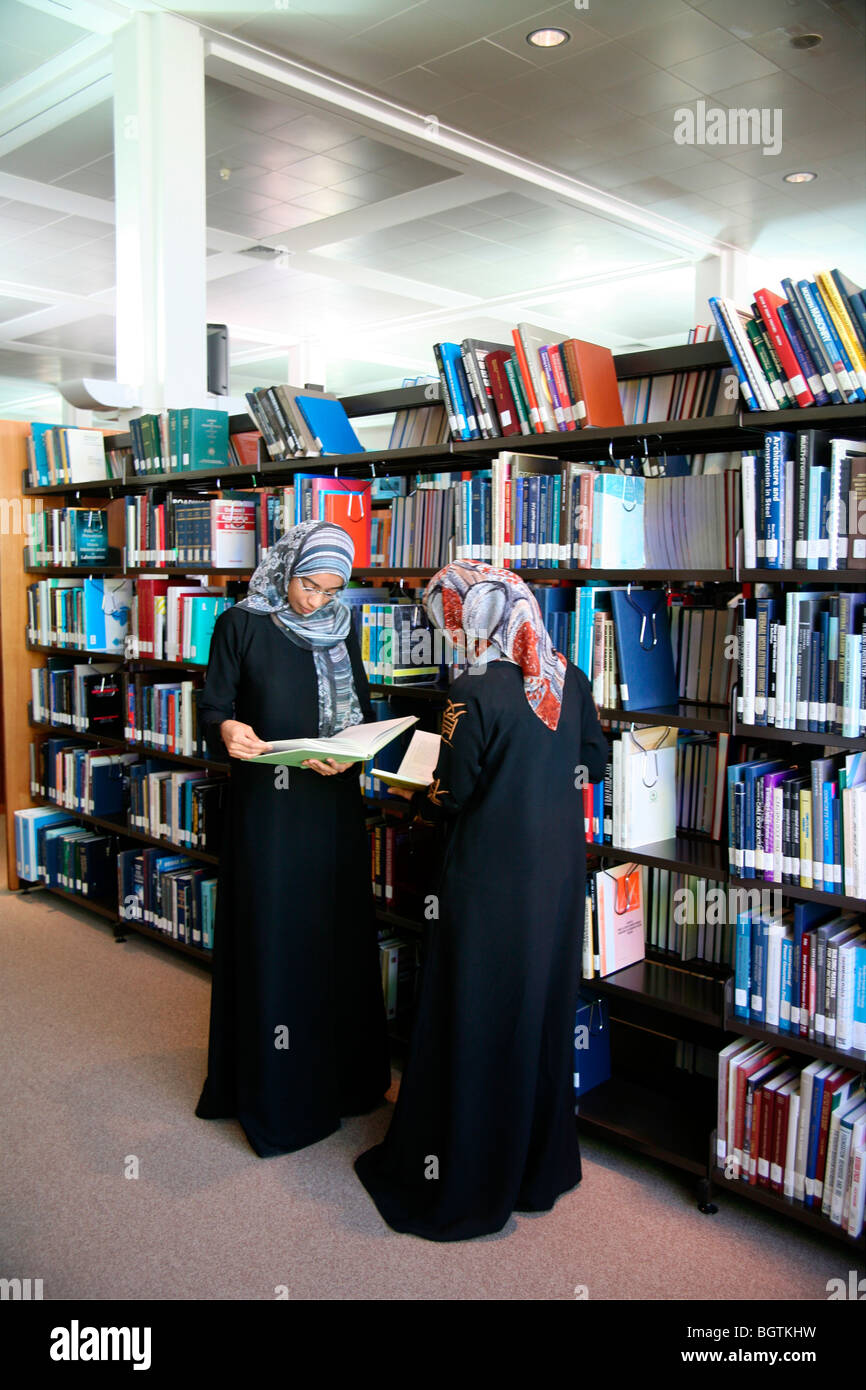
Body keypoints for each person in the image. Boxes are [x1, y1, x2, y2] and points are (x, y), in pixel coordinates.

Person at [354, 559, 608, 1240]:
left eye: (449, 619)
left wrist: (415, 785)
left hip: (488, 881)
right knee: (537, 1011)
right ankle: (536, 1168)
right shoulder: (568, 678)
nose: (447, 630)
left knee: (473, 1012)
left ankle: (462, 1171)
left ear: (471, 618)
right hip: (555, 880)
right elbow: (594, 762)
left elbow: (451, 793)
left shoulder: (471, 690)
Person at [195, 519, 390, 1157]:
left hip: (329, 806)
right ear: (287, 568)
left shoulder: (342, 628)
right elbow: (214, 706)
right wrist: (227, 732)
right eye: (309, 584)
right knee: (276, 936)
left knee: (331, 936)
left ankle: (345, 1083)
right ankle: (278, 1093)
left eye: (332, 590)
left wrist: (352, 755)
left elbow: (357, 709)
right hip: (269, 812)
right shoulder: (241, 624)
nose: (317, 600)